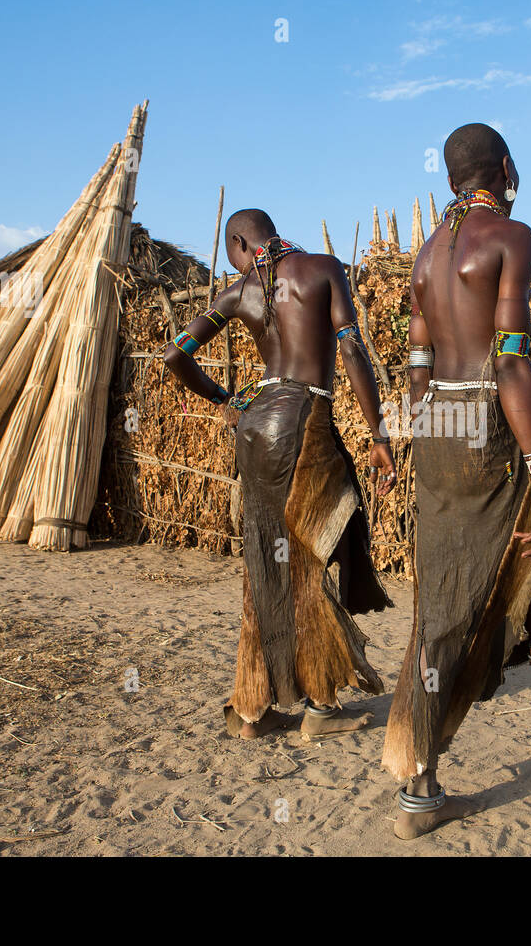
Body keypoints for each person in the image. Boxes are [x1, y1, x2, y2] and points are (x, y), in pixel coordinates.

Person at [381, 124, 531, 839]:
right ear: (504, 168)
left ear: (451, 177)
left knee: (455, 593)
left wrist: (435, 432)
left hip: (437, 429)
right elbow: (512, 363)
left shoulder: (426, 254)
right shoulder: (509, 238)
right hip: (490, 422)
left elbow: (419, 368)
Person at [163, 208, 396, 740]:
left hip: (256, 429)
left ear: (242, 242)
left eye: (234, 254)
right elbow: (353, 348)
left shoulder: (237, 293)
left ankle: (253, 710)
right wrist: (378, 434)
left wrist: (225, 397)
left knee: (265, 565)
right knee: (307, 559)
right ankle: (320, 706)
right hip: (304, 423)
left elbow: (175, 355)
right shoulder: (323, 269)